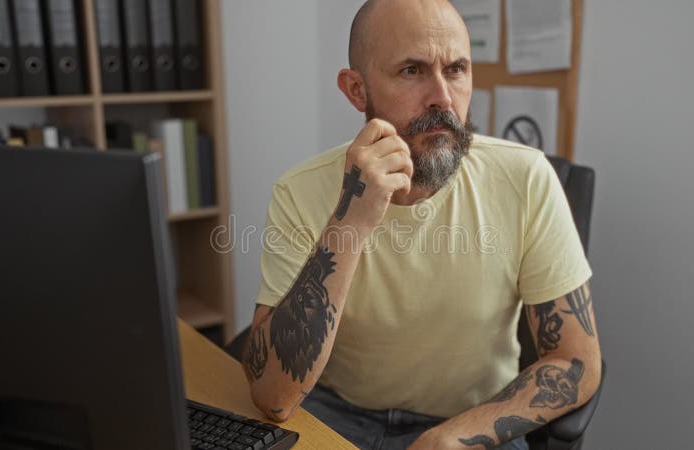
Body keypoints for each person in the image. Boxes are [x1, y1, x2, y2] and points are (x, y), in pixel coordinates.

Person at [241, 1, 602, 449]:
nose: (442, 97)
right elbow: (273, 398)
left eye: (455, 69)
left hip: (473, 422)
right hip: (334, 414)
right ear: (356, 90)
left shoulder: (525, 179)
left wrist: (456, 436)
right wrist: (351, 221)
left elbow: (575, 361)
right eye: (412, 70)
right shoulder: (300, 190)